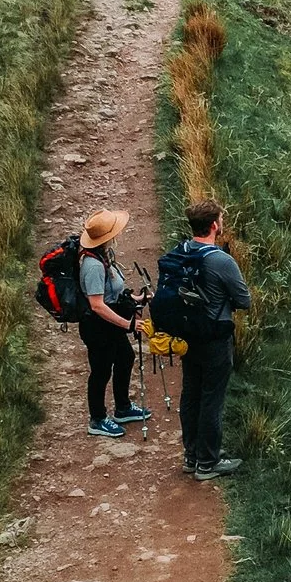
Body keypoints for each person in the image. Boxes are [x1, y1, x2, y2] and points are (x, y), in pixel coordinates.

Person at [165, 198, 251, 478]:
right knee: (211, 399)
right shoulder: (221, 261)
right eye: (221, 220)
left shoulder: (180, 252)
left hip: (189, 337)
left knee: (190, 395)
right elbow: (244, 300)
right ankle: (208, 462)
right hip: (215, 337)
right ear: (214, 225)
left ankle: (192, 455)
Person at [76, 209, 148, 438]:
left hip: (108, 324)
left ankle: (123, 407)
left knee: (126, 358)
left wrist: (134, 299)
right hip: (98, 327)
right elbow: (97, 304)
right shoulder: (94, 266)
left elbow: (111, 292)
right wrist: (127, 324)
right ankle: (97, 419)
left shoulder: (102, 255)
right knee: (100, 371)